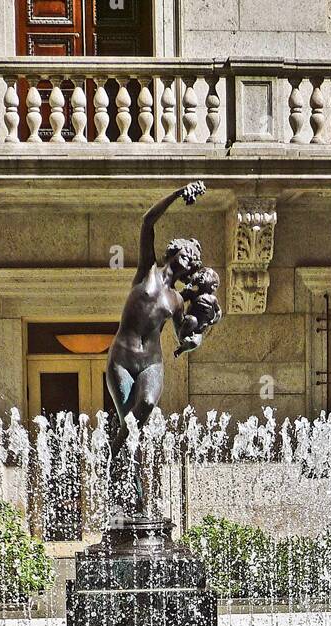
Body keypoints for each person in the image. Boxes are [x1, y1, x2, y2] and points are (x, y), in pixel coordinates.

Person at [105, 180, 209, 507]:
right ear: (172, 251)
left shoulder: (177, 300)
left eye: (193, 261)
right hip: (121, 360)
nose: (188, 261)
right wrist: (179, 193)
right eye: (185, 254)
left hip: (151, 363)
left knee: (146, 405)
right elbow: (148, 220)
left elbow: (184, 339)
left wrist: (197, 335)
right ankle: (131, 490)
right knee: (130, 426)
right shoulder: (146, 271)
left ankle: (116, 464)